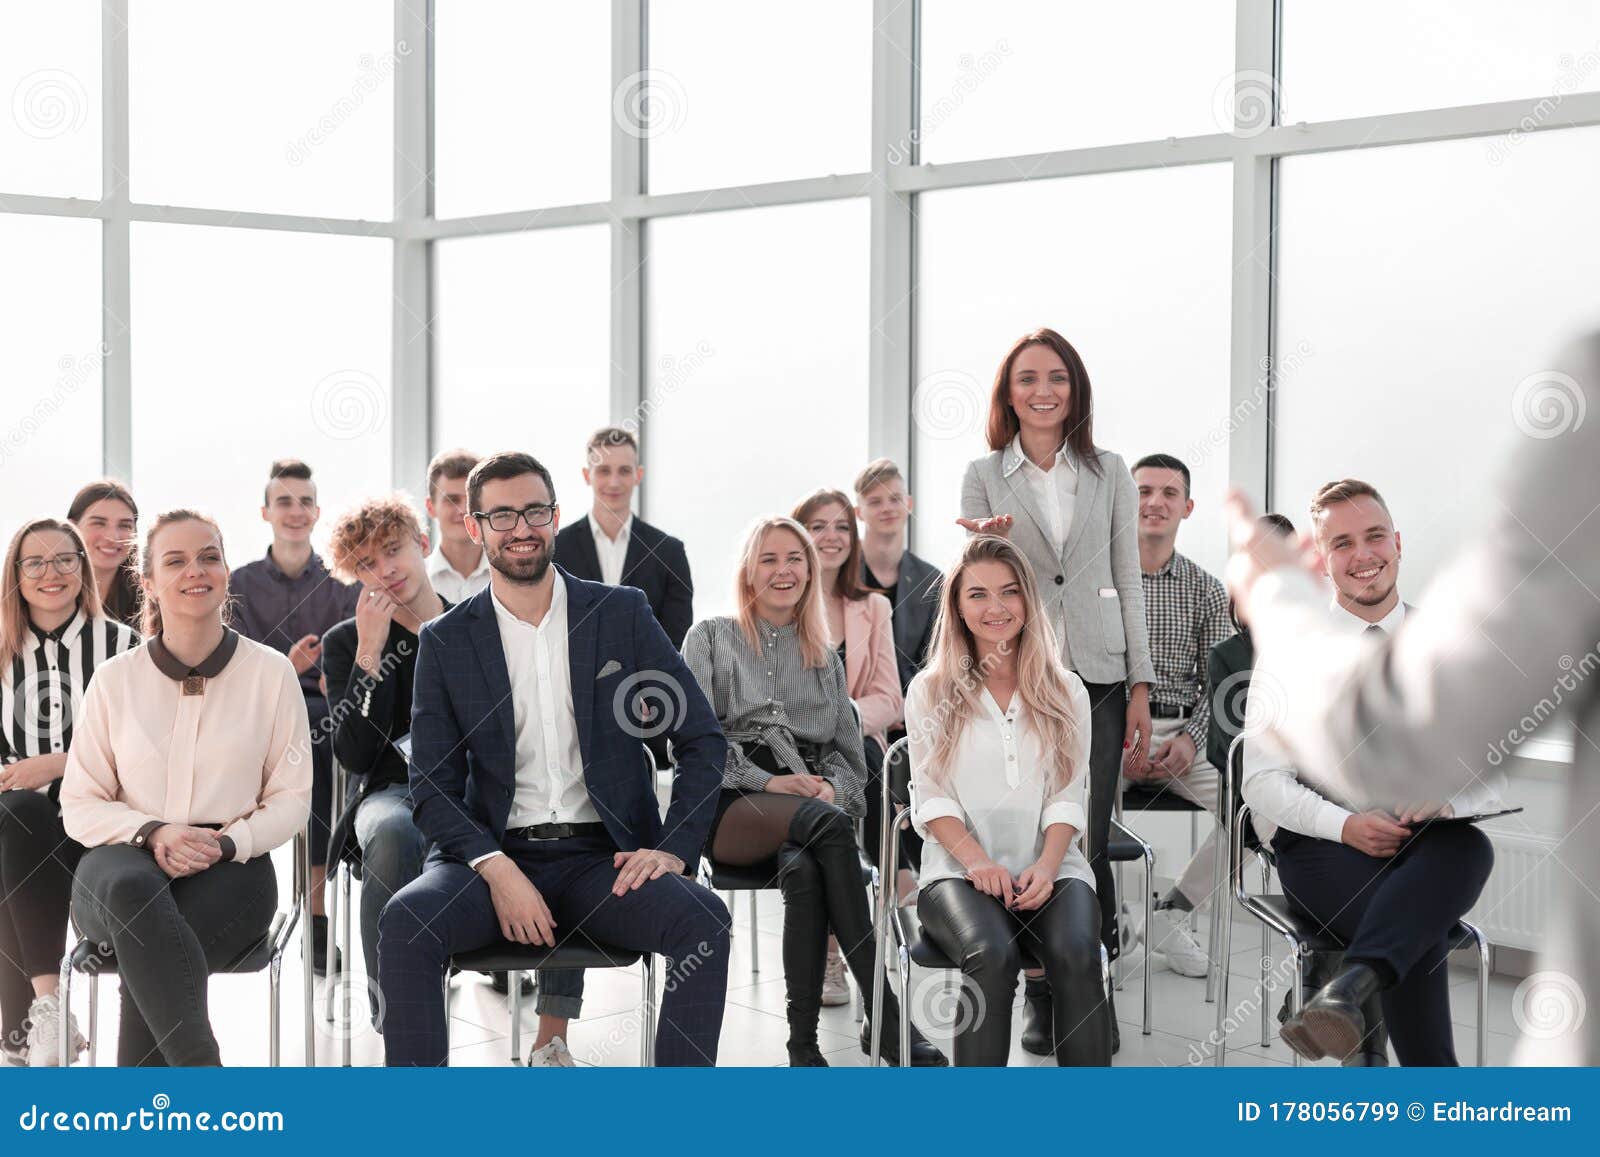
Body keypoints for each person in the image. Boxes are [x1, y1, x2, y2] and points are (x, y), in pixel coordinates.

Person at [378, 452, 731, 1067]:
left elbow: (701, 738)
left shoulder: (620, 613)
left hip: (605, 861)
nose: (521, 528)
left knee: (705, 920)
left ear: (556, 516)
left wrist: (674, 848)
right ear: (474, 526)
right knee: (407, 921)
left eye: (535, 510)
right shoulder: (446, 640)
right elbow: (431, 785)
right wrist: (499, 870)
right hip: (487, 866)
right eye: (503, 515)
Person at [1240, 478, 1502, 1065]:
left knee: (1471, 847)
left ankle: (1344, 993)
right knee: (1419, 928)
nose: (1363, 556)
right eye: (1342, 543)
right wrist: (1346, 825)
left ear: (1398, 543)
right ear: (1321, 559)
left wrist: (1447, 797)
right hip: (1321, 844)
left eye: (1375, 536)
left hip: (1423, 839)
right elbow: (1261, 783)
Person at [683, 515, 945, 1067]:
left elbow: (852, 760)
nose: (784, 570)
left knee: (805, 870)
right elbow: (696, 745)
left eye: (795, 558)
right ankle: (888, 1016)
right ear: (748, 571)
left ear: (810, 570)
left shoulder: (825, 658)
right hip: (733, 805)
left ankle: (802, 1046)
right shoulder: (711, 637)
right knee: (827, 832)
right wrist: (770, 781)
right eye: (770, 559)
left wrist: (830, 788)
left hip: (809, 806)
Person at [957, 326, 1154, 1052]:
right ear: (1008, 394)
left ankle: (1078, 996)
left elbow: (1128, 577)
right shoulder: (983, 471)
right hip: (1019, 671)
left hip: (1098, 671)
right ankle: (1036, 994)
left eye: (1058, 378)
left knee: (1085, 835)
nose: (1043, 391)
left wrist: (1141, 681)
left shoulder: (1109, 469)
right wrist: (987, 537)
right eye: (1028, 379)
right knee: (1025, 826)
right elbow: (975, 575)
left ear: (1076, 389)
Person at [59, 510, 312, 1066]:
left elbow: (292, 799)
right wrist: (152, 831)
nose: (195, 571)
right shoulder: (115, 679)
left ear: (226, 572)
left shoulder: (270, 673)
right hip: (120, 860)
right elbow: (79, 803)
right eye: (175, 560)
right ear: (147, 582)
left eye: (209, 557)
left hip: (232, 869)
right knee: (135, 899)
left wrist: (224, 843)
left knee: (150, 956)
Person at [907, 534, 1110, 1066]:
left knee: (1076, 955)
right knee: (991, 955)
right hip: (955, 872)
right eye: (977, 594)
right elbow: (930, 797)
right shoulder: (930, 690)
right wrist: (977, 863)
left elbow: (1069, 792)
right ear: (956, 605)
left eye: (1010, 592)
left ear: (1028, 601)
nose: (995, 608)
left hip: (1054, 866)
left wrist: (1046, 865)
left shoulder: (1067, 689)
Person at [0, 518, 138, 1065]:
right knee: (19, 816)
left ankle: (21, 1034)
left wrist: (58, 764)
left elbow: (145, 754)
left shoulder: (126, 648)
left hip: (98, 828)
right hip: (15, 822)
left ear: (83, 569)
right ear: (16, 574)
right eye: (34, 562)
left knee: (19, 827)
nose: (50, 573)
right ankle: (50, 1013)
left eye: (64, 560)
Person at [227, 458, 360, 971]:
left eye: (305, 502)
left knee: (324, 734)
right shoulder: (237, 584)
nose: (296, 511)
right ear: (266, 512)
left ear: (318, 511)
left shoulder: (339, 584)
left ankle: (317, 911)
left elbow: (352, 659)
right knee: (311, 731)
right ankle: (290, 909)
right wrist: (286, 665)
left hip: (323, 711)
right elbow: (229, 666)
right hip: (259, 711)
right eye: (285, 501)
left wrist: (334, 675)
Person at [321, 495, 448, 1032]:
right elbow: (353, 754)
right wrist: (369, 656)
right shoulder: (346, 643)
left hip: (476, 785)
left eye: (393, 551)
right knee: (395, 833)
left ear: (423, 544)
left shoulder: (480, 622)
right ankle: (399, 1024)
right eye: (367, 564)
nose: (385, 571)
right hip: (392, 791)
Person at [1120, 453, 1235, 979]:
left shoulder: (1206, 589)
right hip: (1109, 731)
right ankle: (1111, 927)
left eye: (1169, 493)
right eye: (1144, 491)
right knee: (1068, 811)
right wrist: (1116, 736)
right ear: (1126, 500)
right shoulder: (1097, 582)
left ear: (1187, 508)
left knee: (1261, 814)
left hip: (1184, 733)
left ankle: (1172, 914)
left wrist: (1191, 739)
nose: (1155, 502)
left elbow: (1223, 685)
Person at [793, 487, 904, 1006]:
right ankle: (833, 953)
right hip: (788, 748)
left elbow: (891, 698)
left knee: (874, 771)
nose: (832, 536)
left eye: (841, 526)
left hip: (856, 746)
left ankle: (888, 903)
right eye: (818, 526)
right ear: (798, 535)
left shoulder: (874, 608)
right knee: (824, 815)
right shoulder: (778, 600)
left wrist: (842, 718)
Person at [553, 427, 694, 648]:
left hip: (646, 681)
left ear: (638, 475)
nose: (614, 482)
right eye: (604, 471)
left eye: (624, 471)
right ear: (586, 475)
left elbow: (676, 642)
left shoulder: (668, 552)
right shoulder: (556, 548)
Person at [852, 458, 942, 694]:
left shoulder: (932, 580)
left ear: (909, 503)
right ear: (858, 512)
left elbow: (936, 661)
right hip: (849, 709)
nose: (887, 508)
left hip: (911, 712)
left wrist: (904, 705)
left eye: (895, 499)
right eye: (875, 502)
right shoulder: (839, 573)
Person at [66, 480, 142, 629]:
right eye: (99, 523)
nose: (112, 537)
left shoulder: (149, 601)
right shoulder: (49, 591)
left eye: (125, 525)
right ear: (72, 527)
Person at [423, 449, 490, 601]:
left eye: (472, 499)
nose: (464, 510)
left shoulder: (512, 576)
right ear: (430, 507)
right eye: (451, 499)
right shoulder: (416, 582)